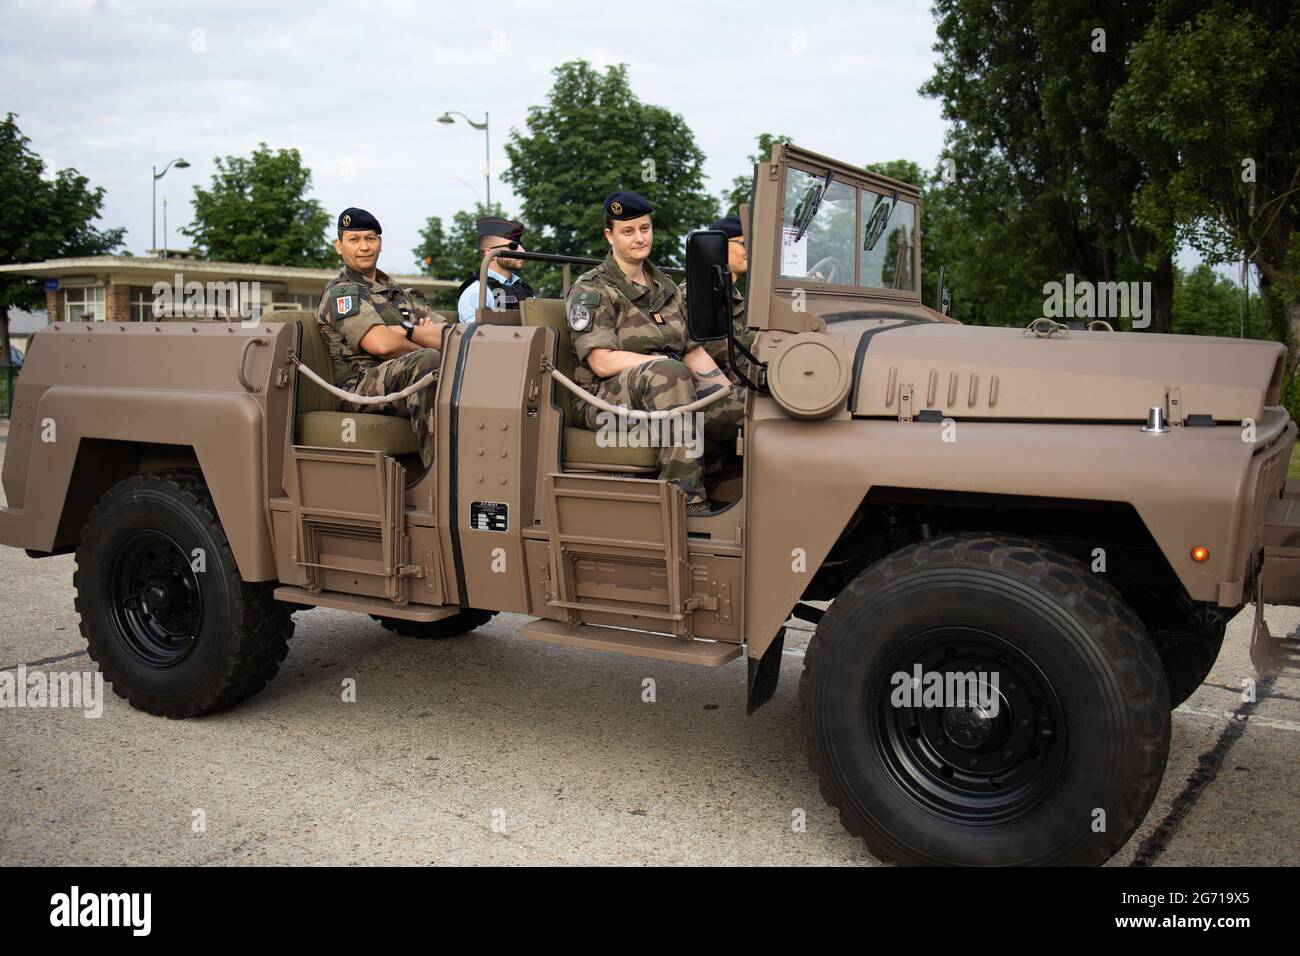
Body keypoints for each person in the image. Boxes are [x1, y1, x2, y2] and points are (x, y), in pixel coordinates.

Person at [566, 191, 745, 513]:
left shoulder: (667, 288)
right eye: (628, 231)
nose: (639, 238)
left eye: (645, 229)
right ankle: (688, 505)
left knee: (744, 407)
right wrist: (662, 362)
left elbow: (693, 353)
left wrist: (727, 393)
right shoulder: (592, 289)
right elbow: (602, 361)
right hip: (600, 399)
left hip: (666, 386)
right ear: (610, 235)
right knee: (670, 375)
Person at [316, 207, 451, 468]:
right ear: (338, 246)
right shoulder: (343, 294)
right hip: (360, 388)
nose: (364, 247)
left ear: (380, 243)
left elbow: (451, 338)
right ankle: (439, 473)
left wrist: (409, 331)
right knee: (428, 361)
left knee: (459, 364)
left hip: (400, 382)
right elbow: (382, 345)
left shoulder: (402, 294)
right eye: (354, 240)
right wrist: (424, 337)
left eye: (370, 239)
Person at [677, 214, 755, 383]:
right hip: (709, 385)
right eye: (744, 243)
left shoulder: (733, 293)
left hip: (740, 377)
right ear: (720, 247)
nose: (750, 250)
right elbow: (699, 347)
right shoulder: (695, 291)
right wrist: (755, 338)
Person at [456, 217, 535, 323]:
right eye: (513, 246)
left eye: (521, 245)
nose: (523, 251)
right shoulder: (477, 293)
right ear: (489, 253)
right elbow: (479, 337)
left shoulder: (525, 289)